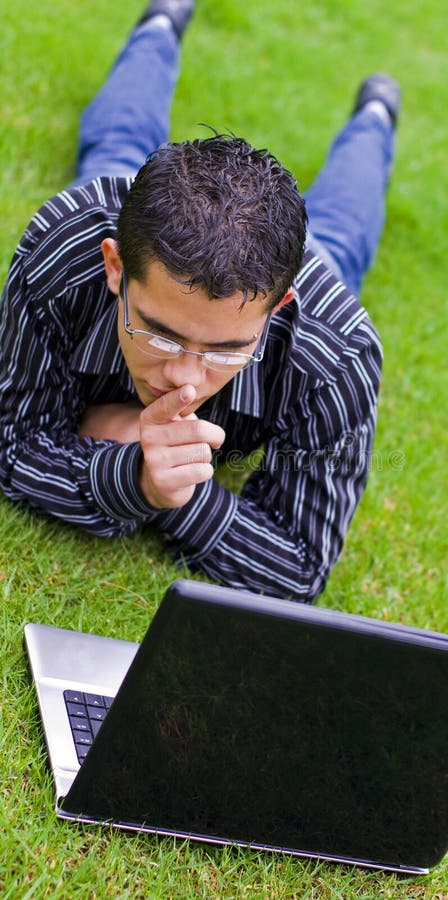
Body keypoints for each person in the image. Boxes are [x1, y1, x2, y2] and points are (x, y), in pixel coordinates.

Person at [0, 1, 400, 602]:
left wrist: (168, 483)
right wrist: (131, 476)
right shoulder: (64, 250)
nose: (186, 381)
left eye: (227, 350)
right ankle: (161, 22)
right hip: (132, 210)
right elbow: (13, 446)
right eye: (160, 334)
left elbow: (297, 563)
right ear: (115, 268)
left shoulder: (336, 354)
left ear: (279, 306)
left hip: (310, 265)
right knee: (116, 142)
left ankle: (376, 115)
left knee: (340, 232)